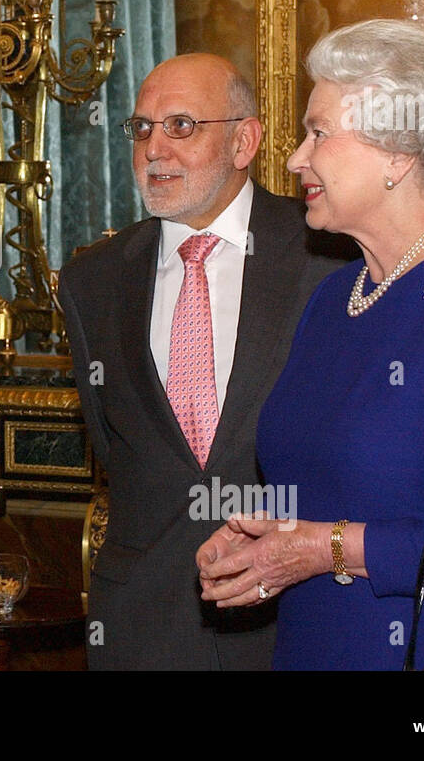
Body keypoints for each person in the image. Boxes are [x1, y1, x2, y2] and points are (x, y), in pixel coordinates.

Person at [197, 19, 424, 669]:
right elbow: (335, 479)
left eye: (318, 132)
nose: (294, 158)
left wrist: (325, 548)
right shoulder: (334, 298)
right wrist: (263, 533)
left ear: (399, 152)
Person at [58, 53, 348, 670]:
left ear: (244, 140)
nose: (154, 150)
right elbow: (116, 454)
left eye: (181, 126)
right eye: (141, 129)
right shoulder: (92, 281)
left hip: (294, 618)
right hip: (140, 625)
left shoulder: (329, 257)